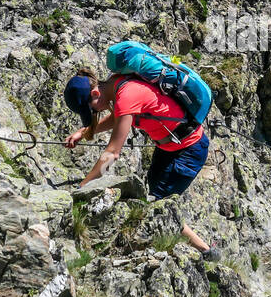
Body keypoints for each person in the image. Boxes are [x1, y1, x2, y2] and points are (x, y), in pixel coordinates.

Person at [63, 69, 221, 262]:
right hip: (169, 148)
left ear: (96, 94)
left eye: (93, 110)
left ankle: (207, 252)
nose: (95, 113)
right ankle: (201, 248)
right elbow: (118, 117)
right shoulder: (117, 82)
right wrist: (85, 131)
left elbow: (112, 153)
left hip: (188, 151)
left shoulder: (127, 95)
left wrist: (83, 187)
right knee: (154, 202)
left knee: (158, 209)